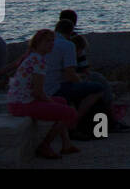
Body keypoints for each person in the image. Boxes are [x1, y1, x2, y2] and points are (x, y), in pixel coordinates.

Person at [7, 29, 81, 159]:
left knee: (62, 102)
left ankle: (66, 144)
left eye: (52, 41)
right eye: (47, 41)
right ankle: (44, 146)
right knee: (70, 113)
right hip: (22, 104)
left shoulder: (32, 56)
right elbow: (38, 93)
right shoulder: (38, 61)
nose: (51, 44)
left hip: (19, 101)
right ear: (37, 43)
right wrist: (50, 102)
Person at [59, 10, 130, 132]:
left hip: (64, 77)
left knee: (98, 81)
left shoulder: (52, 40)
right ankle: (111, 120)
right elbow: (82, 67)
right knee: (100, 83)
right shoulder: (73, 42)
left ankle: (107, 121)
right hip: (70, 78)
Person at [45, 19, 104, 137]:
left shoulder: (45, 43)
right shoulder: (68, 45)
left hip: (43, 85)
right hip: (55, 88)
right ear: (71, 32)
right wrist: (81, 82)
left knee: (82, 88)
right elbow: (70, 74)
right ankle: (74, 121)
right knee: (98, 88)